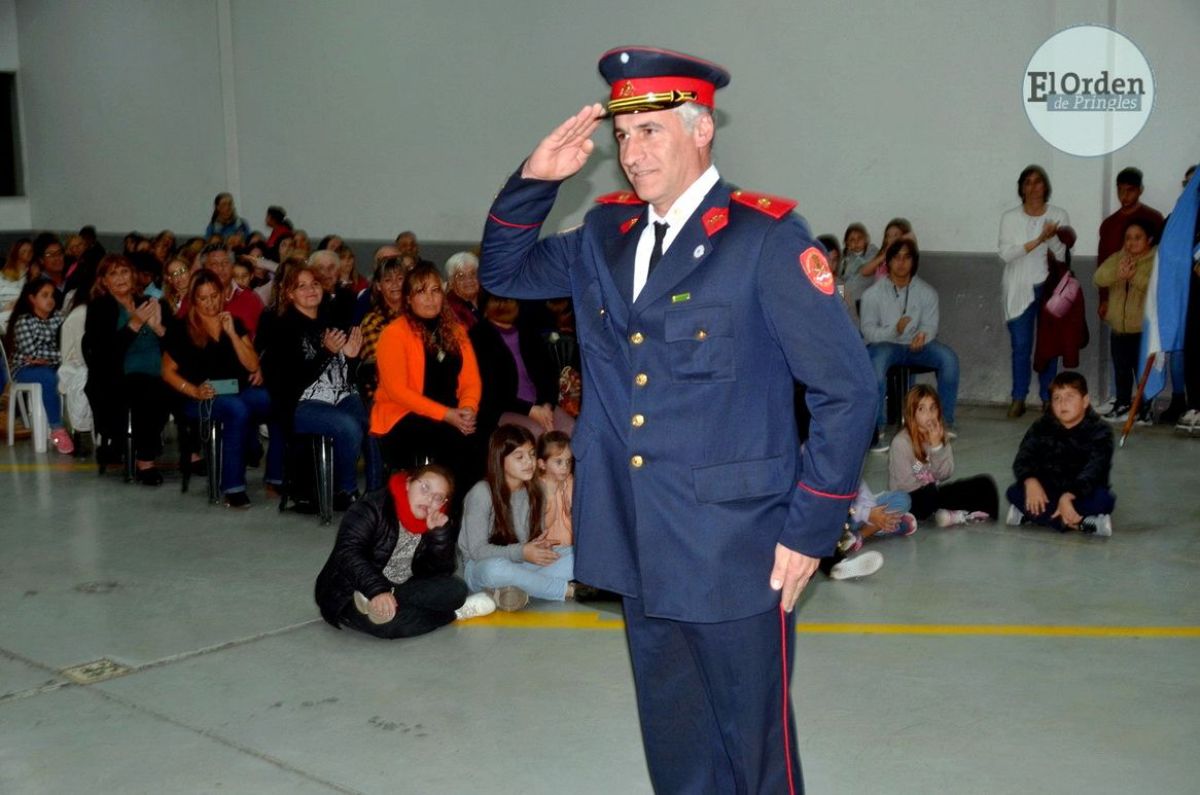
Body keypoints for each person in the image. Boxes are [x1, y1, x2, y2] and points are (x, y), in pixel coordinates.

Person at [479, 46, 875, 793]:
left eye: (651, 131)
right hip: (638, 536)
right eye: (623, 135)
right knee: (677, 745)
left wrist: (808, 527)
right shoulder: (605, 235)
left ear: (702, 130)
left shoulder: (765, 239)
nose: (631, 153)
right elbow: (503, 272)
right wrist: (535, 181)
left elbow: (848, 390)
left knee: (754, 753)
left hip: (738, 545)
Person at [314, 463, 495, 637]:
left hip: (401, 587)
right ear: (408, 483)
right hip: (349, 592)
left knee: (457, 590)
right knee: (394, 625)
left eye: (439, 497)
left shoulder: (436, 520)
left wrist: (438, 535)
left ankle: (387, 604)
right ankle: (455, 613)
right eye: (425, 488)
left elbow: (439, 574)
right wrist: (376, 590)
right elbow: (347, 554)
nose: (430, 500)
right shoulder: (370, 507)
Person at [260, 263, 380, 509]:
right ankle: (345, 491)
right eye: (301, 286)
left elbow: (342, 370)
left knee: (377, 420)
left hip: (340, 395)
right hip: (301, 403)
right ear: (289, 294)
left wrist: (351, 356)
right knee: (348, 427)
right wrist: (326, 352)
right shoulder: (282, 327)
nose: (311, 290)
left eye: (314, 284)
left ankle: (376, 491)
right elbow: (289, 381)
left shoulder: (330, 318)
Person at [162, 269, 276, 508]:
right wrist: (193, 390)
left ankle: (277, 475)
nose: (210, 303)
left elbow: (252, 364)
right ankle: (232, 486)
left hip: (236, 388)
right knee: (237, 410)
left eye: (214, 296)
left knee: (273, 400)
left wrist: (232, 335)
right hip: (200, 395)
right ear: (194, 300)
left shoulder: (233, 322)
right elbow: (167, 371)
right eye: (203, 298)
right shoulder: (182, 329)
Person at [370, 262, 482, 491]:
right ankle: (448, 514)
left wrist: (468, 409)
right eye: (421, 292)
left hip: (451, 413)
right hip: (403, 416)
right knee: (456, 442)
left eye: (435, 290)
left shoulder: (456, 331)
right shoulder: (394, 334)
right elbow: (398, 392)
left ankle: (468, 514)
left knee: (483, 437)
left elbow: (471, 380)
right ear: (408, 299)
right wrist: (447, 415)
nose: (430, 299)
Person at [459, 424, 577, 610]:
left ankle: (515, 589)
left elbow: (524, 545)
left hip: (519, 565)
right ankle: (567, 590)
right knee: (496, 569)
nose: (529, 462)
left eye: (531, 454)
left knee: (577, 555)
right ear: (500, 459)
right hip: (480, 568)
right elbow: (477, 551)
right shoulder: (481, 492)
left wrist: (535, 547)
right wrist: (522, 551)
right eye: (519, 457)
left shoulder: (531, 491)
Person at [860, 238, 959, 451]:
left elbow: (931, 324)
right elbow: (868, 331)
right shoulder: (872, 295)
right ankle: (876, 428)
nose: (901, 263)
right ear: (888, 262)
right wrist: (894, 330)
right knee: (875, 365)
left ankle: (944, 422)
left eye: (907, 257)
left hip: (918, 345)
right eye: (896, 258)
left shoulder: (927, 292)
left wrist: (923, 335)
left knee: (948, 359)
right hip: (886, 345)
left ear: (914, 262)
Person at [82, 254, 171, 484]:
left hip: (159, 371)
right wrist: (134, 324)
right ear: (104, 281)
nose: (120, 277)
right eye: (113, 273)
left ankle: (191, 452)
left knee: (171, 385)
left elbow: (174, 345)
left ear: (134, 275)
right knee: (147, 389)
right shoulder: (100, 308)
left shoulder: (151, 303)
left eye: (124, 271)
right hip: (117, 377)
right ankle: (145, 460)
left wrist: (159, 328)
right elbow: (102, 355)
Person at [998, 165, 1071, 417]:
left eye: (1038, 181)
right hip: (1019, 289)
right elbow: (1007, 254)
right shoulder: (1010, 217)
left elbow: (1062, 255)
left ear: (1045, 186)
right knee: (1021, 345)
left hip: (1049, 288)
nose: (1033, 187)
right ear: (1021, 188)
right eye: (1027, 182)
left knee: (1048, 346)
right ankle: (1018, 397)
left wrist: (1051, 238)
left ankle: (1048, 398)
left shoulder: (1059, 214)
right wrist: (1039, 240)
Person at [1006, 371, 1116, 536]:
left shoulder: (1100, 431)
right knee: (1015, 492)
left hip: (1082, 491)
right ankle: (1081, 523)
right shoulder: (1041, 426)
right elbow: (1023, 458)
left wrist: (1068, 496)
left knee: (1104, 500)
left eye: (1070, 396)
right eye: (1057, 398)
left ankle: (1033, 516)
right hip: (1048, 489)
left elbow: (1094, 470)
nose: (1062, 403)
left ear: (1085, 401)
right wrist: (1030, 481)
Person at [887, 385, 998, 526]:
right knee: (929, 494)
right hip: (908, 500)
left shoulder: (940, 436)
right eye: (922, 409)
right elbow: (905, 485)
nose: (929, 414)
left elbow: (945, 474)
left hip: (933, 494)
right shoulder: (901, 442)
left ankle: (944, 511)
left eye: (933, 408)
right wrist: (932, 488)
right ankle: (945, 510)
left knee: (985, 483)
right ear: (911, 414)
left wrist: (937, 447)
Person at [468, 292, 572, 441]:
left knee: (572, 430)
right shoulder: (478, 337)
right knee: (537, 436)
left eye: (508, 299)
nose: (504, 305)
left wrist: (547, 405)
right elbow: (491, 393)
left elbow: (548, 373)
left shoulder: (527, 328)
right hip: (503, 409)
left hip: (540, 404)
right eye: (497, 300)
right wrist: (530, 410)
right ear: (487, 303)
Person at [1094, 219, 1156, 423]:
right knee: (1121, 369)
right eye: (1128, 238)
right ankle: (1122, 404)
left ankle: (1145, 408)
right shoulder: (1118, 257)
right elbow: (1098, 277)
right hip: (1119, 328)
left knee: (1142, 373)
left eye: (1137, 238)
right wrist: (1118, 274)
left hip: (1142, 329)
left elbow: (1153, 287)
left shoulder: (1155, 260)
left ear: (1149, 239)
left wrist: (1133, 276)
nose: (1131, 243)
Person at [3, 277, 73, 453]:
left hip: (51, 365)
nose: (50, 300)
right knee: (48, 377)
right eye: (44, 295)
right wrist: (59, 357)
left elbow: (67, 346)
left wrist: (51, 358)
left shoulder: (58, 318)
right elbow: (32, 354)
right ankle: (57, 428)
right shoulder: (24, 321)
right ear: (32, 298)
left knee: (72, 373)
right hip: (23, 369)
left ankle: (78, 426)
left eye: (52, 296)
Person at [1096, 167, 1164, 320]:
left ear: (1140, 190)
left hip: (1143, 295)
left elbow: (1159, 259)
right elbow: (1102, 262)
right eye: (1120, 190)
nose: (1124, 196)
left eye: (1130, 190)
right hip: (1117, 294)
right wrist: (1104, 299)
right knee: (1118, 338)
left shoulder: (1153, 218)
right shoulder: (1109, 224)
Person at [535, 430, 574, 547]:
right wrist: (551, 496)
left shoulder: (570, 481)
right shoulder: (539, 487)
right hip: (551, 548)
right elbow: (542, 526)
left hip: (572, 545)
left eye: (568, 461)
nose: (565, 467)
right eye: (559, 462)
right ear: (542, 464)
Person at [445, 250, 484, 330]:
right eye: (461, 276)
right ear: (451, 282)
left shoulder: (488, 301)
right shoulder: (449, 310)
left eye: (473, 274)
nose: (469, 280)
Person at [1, 237, 33, 312]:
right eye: (24, 251)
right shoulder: (3, 275)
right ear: (16, 252)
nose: (28, 254)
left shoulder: (34, 275)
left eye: (30, 251)